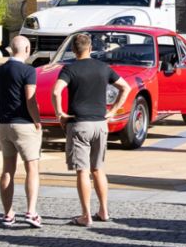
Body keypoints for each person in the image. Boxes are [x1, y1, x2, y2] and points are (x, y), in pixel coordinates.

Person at [51, 33, 130, 226]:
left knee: (82, 171)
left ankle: (85, 215)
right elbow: (125, 87)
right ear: (90, 48)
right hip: (100, 124)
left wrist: (60, 113)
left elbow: (55, 91)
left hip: (79, 124)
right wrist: (112, 111)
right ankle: (103, 211)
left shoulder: (70, 69)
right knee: (98, 169)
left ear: (73, 50)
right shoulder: (103, 67)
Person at [0, 35, 42, 228]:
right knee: (32, 168)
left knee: (8, 170)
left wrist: (0, 116)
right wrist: (37, 121)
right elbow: (30, 99)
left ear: (11, 49)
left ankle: (8, 213)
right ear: (27, 50)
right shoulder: (29, 71)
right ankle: (31, 212)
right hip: (24, 124)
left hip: (4, 124)